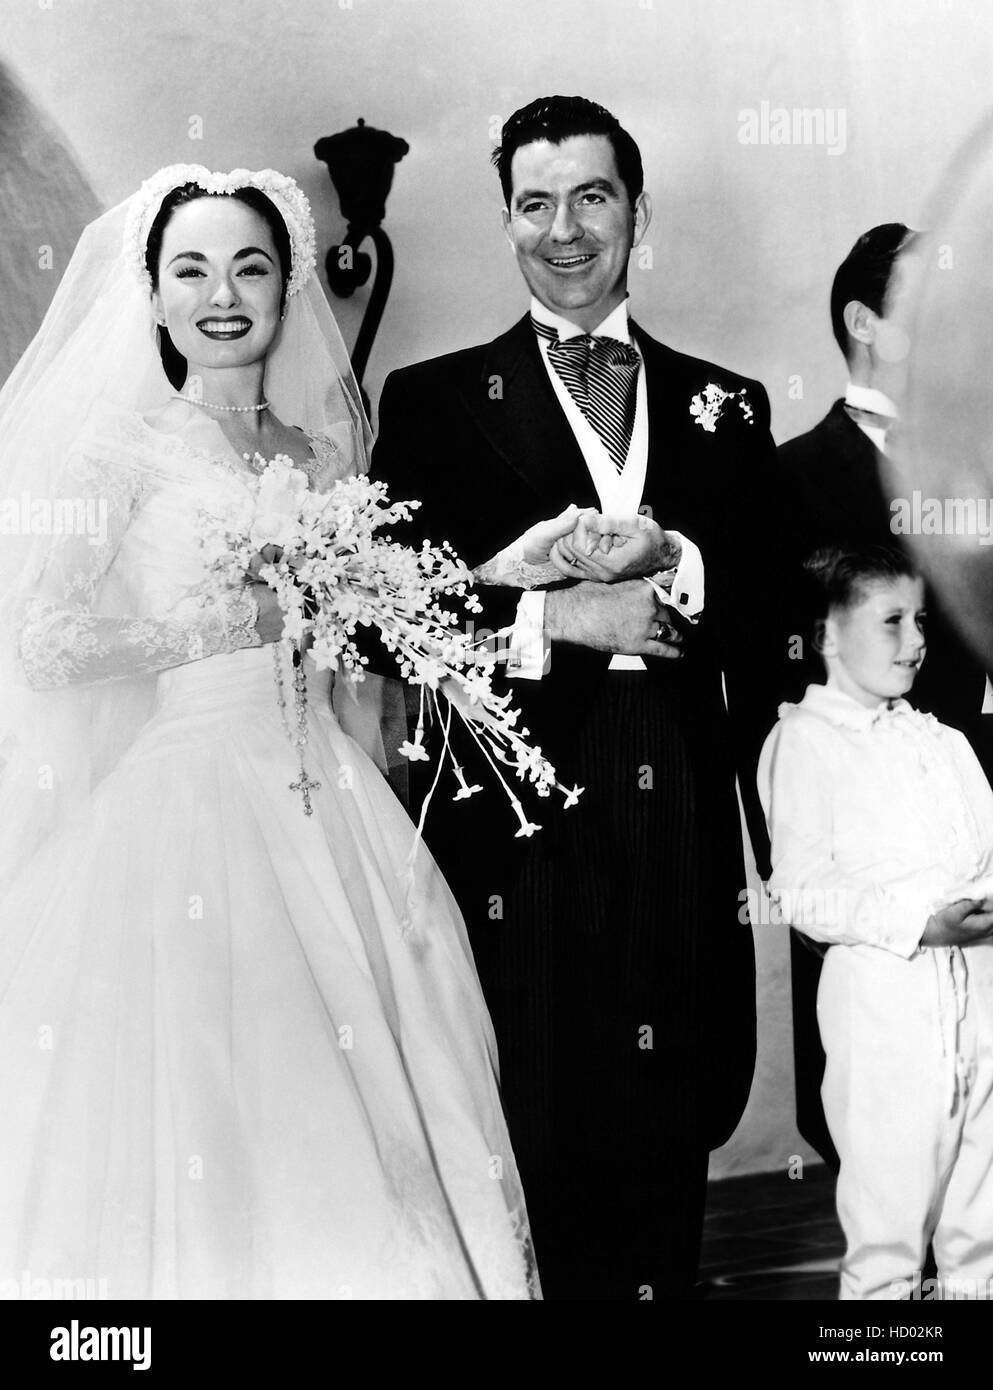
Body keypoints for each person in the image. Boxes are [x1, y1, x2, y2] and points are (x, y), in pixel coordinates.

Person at [0, 164, 538, 1300]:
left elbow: (368, 628)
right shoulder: (120, 452)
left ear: (289, 286)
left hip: (326, 794)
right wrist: (215, 623)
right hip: (191, 796)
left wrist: (493, 583)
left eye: (250, 265)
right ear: (151, 297)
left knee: (385, 1080)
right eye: (190, 269)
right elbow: (44, 643)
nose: (223, 293)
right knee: (227, 1099)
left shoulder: (318, 457)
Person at [371, 96, 787, 1299]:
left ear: (636, 213)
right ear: (506, 219)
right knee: (533, 1135)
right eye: (535, 202)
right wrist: (552, 616)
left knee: (667, 1145)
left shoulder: (732, 402)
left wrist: (675, 562)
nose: (565, 229)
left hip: (677, 812)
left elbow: (766, 620)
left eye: (592, 196)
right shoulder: (433, 399)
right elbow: (388, 619)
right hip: (518, 827)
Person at [776, 224, 993, 1169]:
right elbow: (785, 683)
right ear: (863, 320)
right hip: (874, 843)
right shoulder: (791, 477)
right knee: (884, 1132)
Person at [758, 545, 993, 1300]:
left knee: (980, 1222)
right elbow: (799, 891)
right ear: (826, 636)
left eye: (919, 619)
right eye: (889, 621)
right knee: (889, 1226)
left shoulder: (944, 742)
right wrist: (920, 925)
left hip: (980, 1003)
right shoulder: (804, 741)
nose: (916, 640)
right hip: (882, 1016)